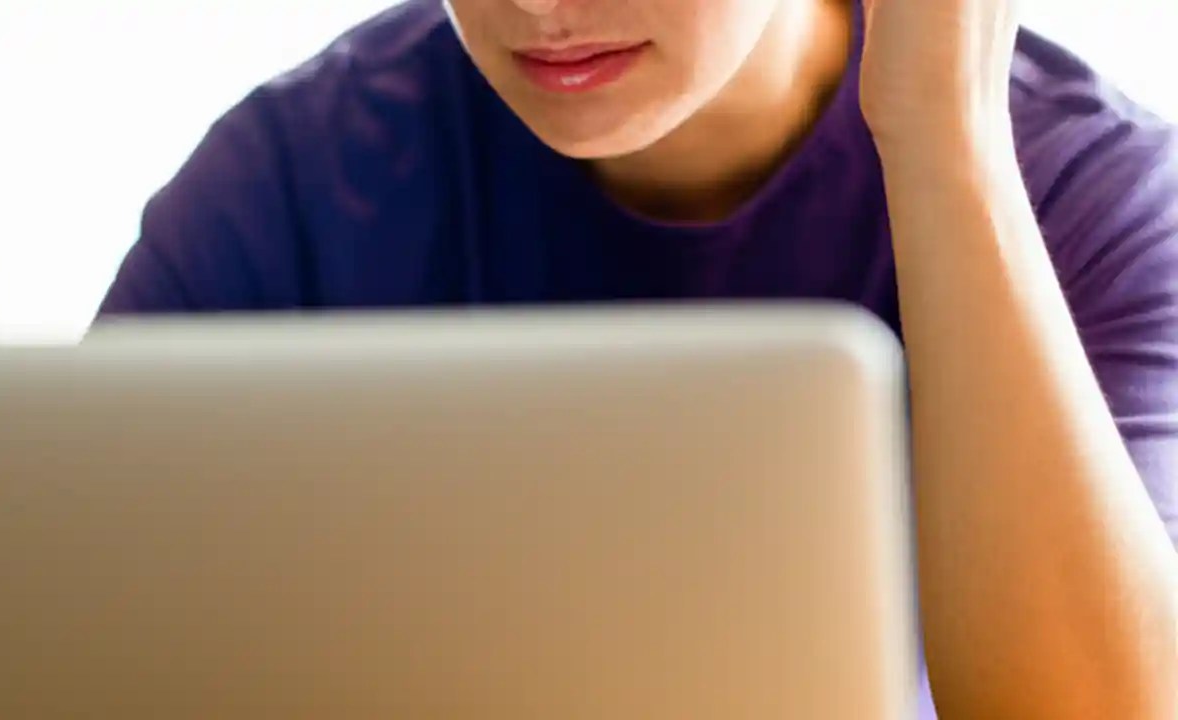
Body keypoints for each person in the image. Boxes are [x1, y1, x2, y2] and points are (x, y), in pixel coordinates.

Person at [99, 0, 1178, 716]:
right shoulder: (293, 177)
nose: (539, 3)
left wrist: (944, 137)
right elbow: (47, 636)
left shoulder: (1082, 195)